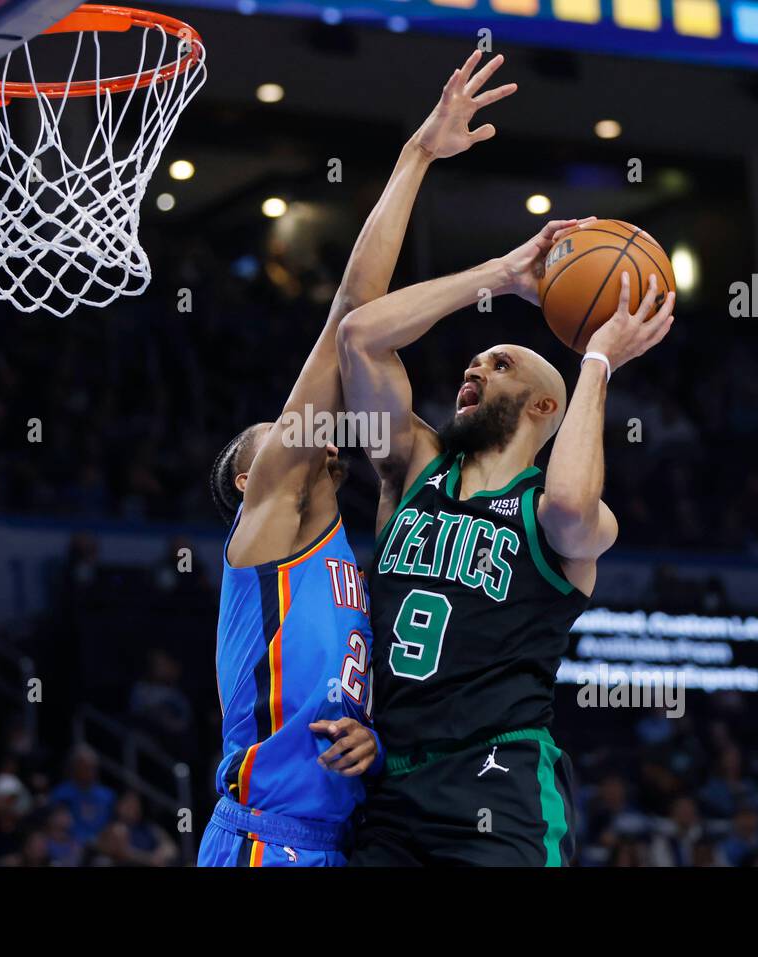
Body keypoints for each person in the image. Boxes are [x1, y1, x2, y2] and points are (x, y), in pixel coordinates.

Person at [199, 51, 516, 868]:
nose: (293, 426)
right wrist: (417, 155)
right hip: (265, 838)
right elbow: (351, 314)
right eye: (269, 428)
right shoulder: (267, 524)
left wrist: (369, 745)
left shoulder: (347, 548)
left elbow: (349, 689)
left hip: (338, 839)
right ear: (247, 477)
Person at [337, 211, 674, 865]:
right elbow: (358, 336)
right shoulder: (414, 468)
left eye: (500, 364)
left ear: (545, 406)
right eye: (473, 361)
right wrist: (500, 274)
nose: (477, 367)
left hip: (499, 787)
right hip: (390, 788)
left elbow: (575, 501)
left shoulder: (550, 516)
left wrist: (597, 361)